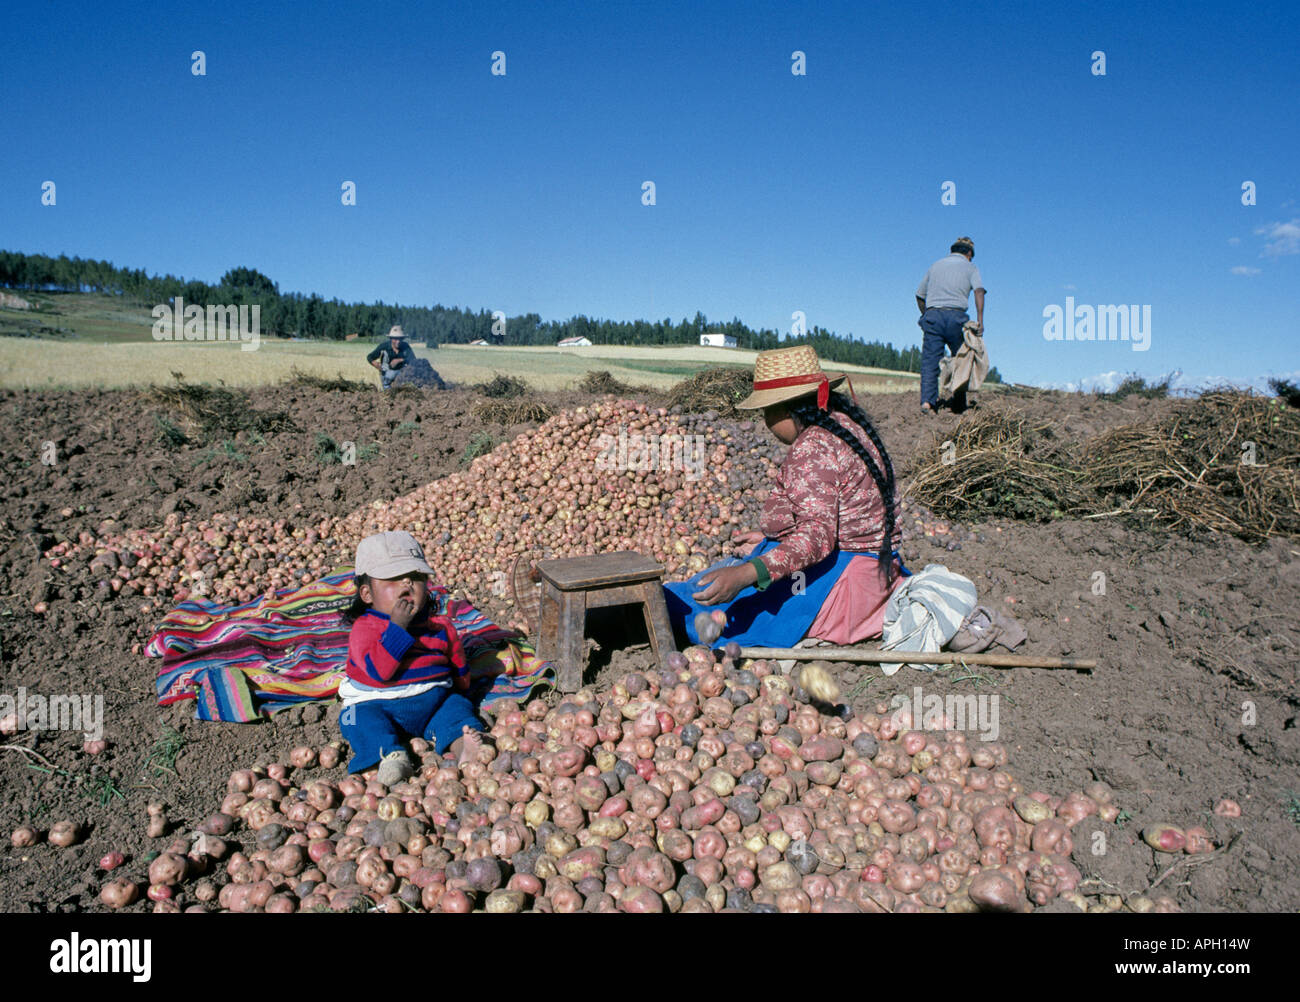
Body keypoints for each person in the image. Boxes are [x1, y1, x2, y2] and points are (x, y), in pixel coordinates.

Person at [664, 346, 909, 649]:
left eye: (767, 412)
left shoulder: (813, 447)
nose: (766, 423)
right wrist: (777, 537)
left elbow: (817, 535)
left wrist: (745, 574)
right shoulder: (848, 427)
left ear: (787, 408)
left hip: (842, 588)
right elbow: (838, 516)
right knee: (712, 589)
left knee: (700, 609)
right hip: (879, 577)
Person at [339, 530, 487, 785]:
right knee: (352, 719)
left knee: (456, 708)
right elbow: (379, 672)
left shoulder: (440, 628)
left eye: (416, 577)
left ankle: (462, 744)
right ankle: (391, 756)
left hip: (432, 703)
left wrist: (462, 689)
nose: (407, 583)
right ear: (367, 594)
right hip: (376, 704)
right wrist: (397, 628)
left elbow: (458, 667)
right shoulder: (365, 629)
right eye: (393, 579)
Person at [915, 237, 985, 414]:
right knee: (962, 360)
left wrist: (927, 315)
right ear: (969, 254)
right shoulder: (971, 267)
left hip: (934, 315)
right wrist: (980, 321)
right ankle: (958, 403)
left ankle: (927, 403)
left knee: (930, 361)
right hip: (957, 318)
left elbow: (919, 295)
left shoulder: (936, 265)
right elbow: (978, 291)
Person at [367, 325, 416, 390]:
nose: (398, 341)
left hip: (401, 376)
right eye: (395, 339)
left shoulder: (405, 346)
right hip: (387, 376)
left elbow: (414, 360)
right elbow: (369, 357)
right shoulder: (384, 347)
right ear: (391, 338)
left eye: (400, 339)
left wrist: (400, 360)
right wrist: (374, 363)